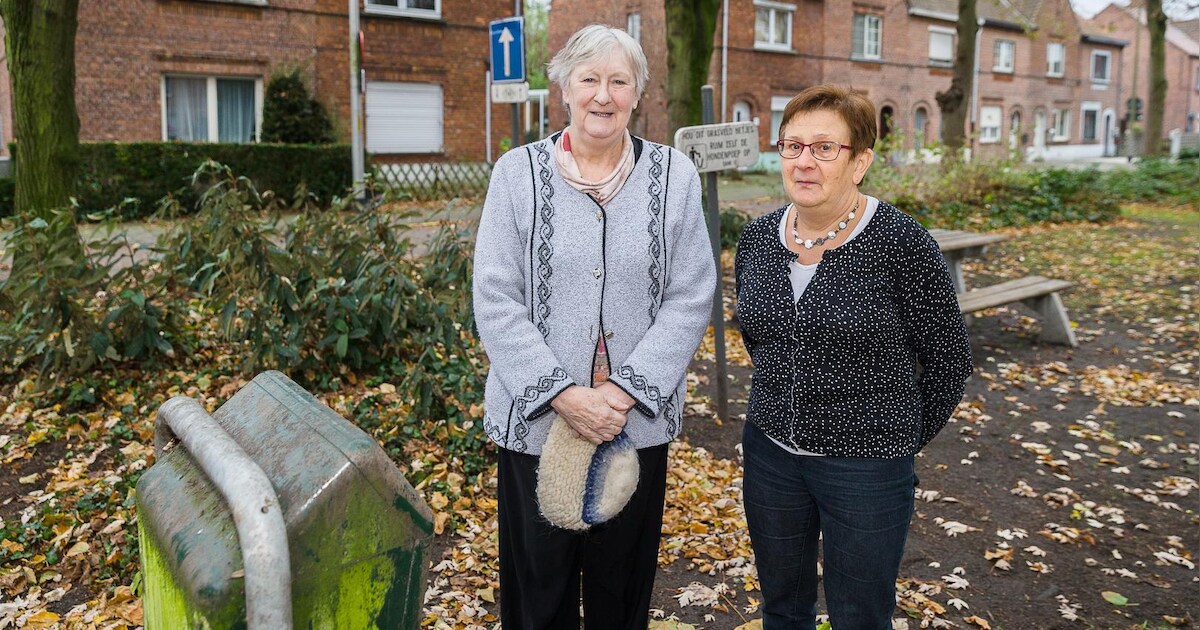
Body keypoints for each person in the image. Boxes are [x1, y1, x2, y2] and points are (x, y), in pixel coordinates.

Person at [472, 24, 716, 630]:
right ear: (564, 89)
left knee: (621, 591)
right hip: (537, 429)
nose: (602, 95)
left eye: (618, 81)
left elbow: (691, 294)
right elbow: (496, 297)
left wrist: (624, 390)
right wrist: (562, 393)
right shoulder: (516, 174)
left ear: (638, 95)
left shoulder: (674, 176)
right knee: (539, 593)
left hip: (634, 425)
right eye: (589, 79)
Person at [733, 84, 973, 629]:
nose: (804, 162)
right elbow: (765, 338)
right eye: (792, 146)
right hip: (771, 455)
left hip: (865, 465)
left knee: (860, 615)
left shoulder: (901, 243)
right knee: (782, 606)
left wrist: (897, 439)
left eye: (824, 148)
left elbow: (949, 359)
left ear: (860, 161)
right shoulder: (758, 239)